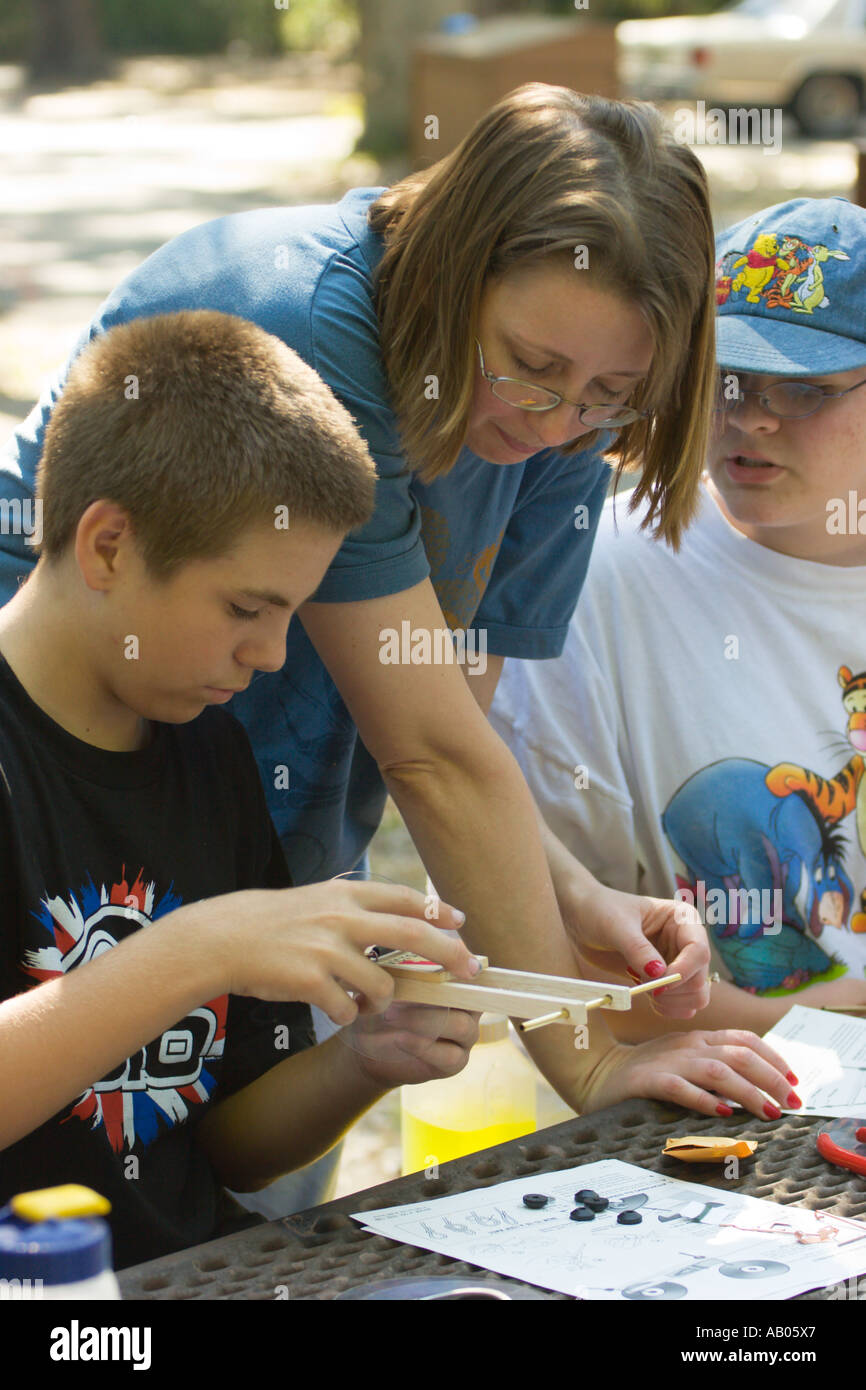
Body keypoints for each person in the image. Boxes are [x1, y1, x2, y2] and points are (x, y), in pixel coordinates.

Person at [0, 85, 797, 1133]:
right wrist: (589, 1059)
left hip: (240, 815)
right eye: (529, 368)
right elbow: (430, 755)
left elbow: (455, 741)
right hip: (63, 790)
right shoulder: (310, 327)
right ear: (455, 271)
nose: (557, 421)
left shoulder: (562, 430)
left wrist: (565, 899)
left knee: (215, 1143)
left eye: (612, 393)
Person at [0, 310, 484, 1269]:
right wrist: (194, 950)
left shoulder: (209, 755)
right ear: (107, 546)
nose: (269, 657)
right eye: (246, 609)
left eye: (293, 615)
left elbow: (227, 1145)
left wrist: (360, 1059)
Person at [490, 195, 866, 1044]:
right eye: (724, 377)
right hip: (718, 1092)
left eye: (804, 389)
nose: (752, 414)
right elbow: (552, 946)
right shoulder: (590, 578)